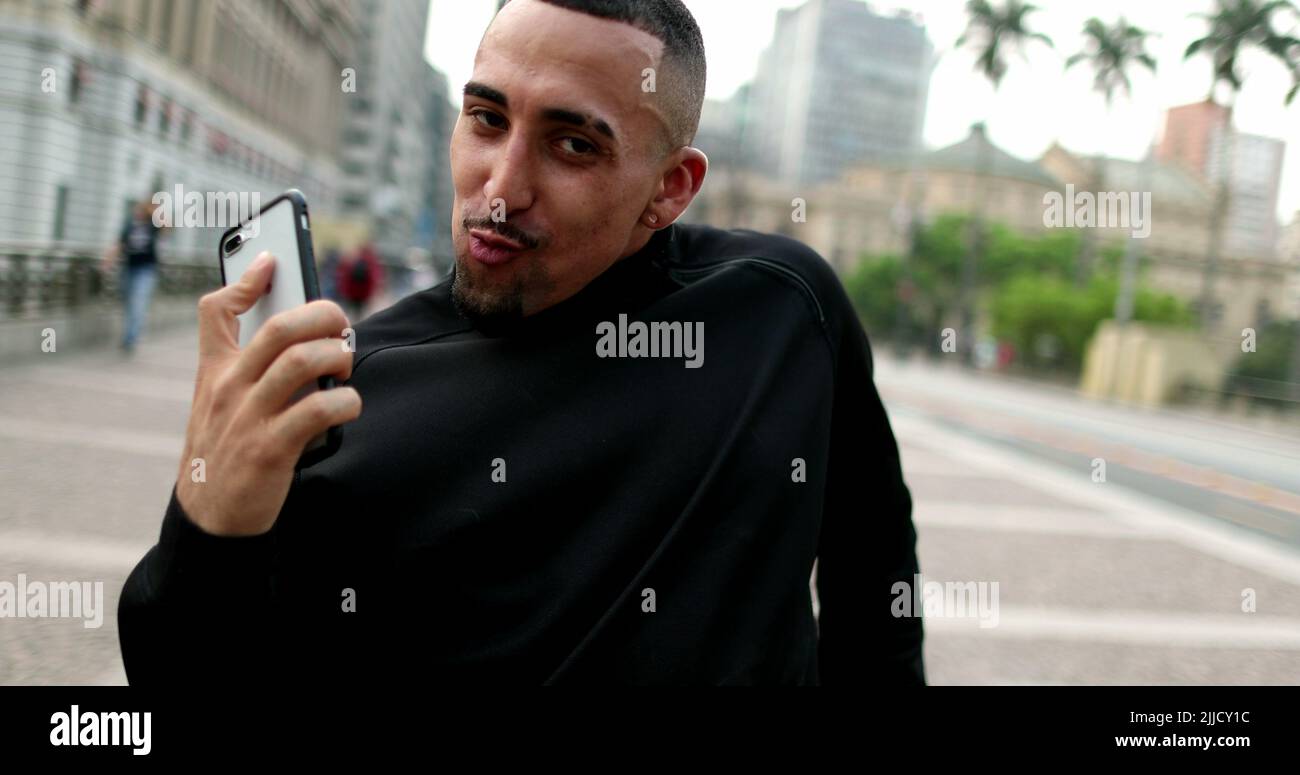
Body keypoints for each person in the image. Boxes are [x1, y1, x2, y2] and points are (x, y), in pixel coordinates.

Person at [117, 0, 923, 685]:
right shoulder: (344, 391)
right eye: (487, 119)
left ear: (670, 188)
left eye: (574, 144)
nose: (502, 189)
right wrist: (209, 518)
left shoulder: (783, 311)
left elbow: (877, 593)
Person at [102, 199, 165, 354]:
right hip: (129, 268)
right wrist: (108, 261)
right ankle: (128, 335)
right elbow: (119, 244)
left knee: (138, 302)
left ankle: (130, 339)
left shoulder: (153, 226)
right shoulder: (130, 225)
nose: (139, 211)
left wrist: (155, 213)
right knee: (128, 302)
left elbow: (167, 226)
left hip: (146, 270)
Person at [334, 243, 383, 322]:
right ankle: (356, 327)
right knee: (359, 314)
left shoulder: (353, 260)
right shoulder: (370, 262)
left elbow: (344, 274)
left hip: (351, 292)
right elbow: (374, 278)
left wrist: (344, 290)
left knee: (348, 311)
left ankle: (345, 324)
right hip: (363, 294)